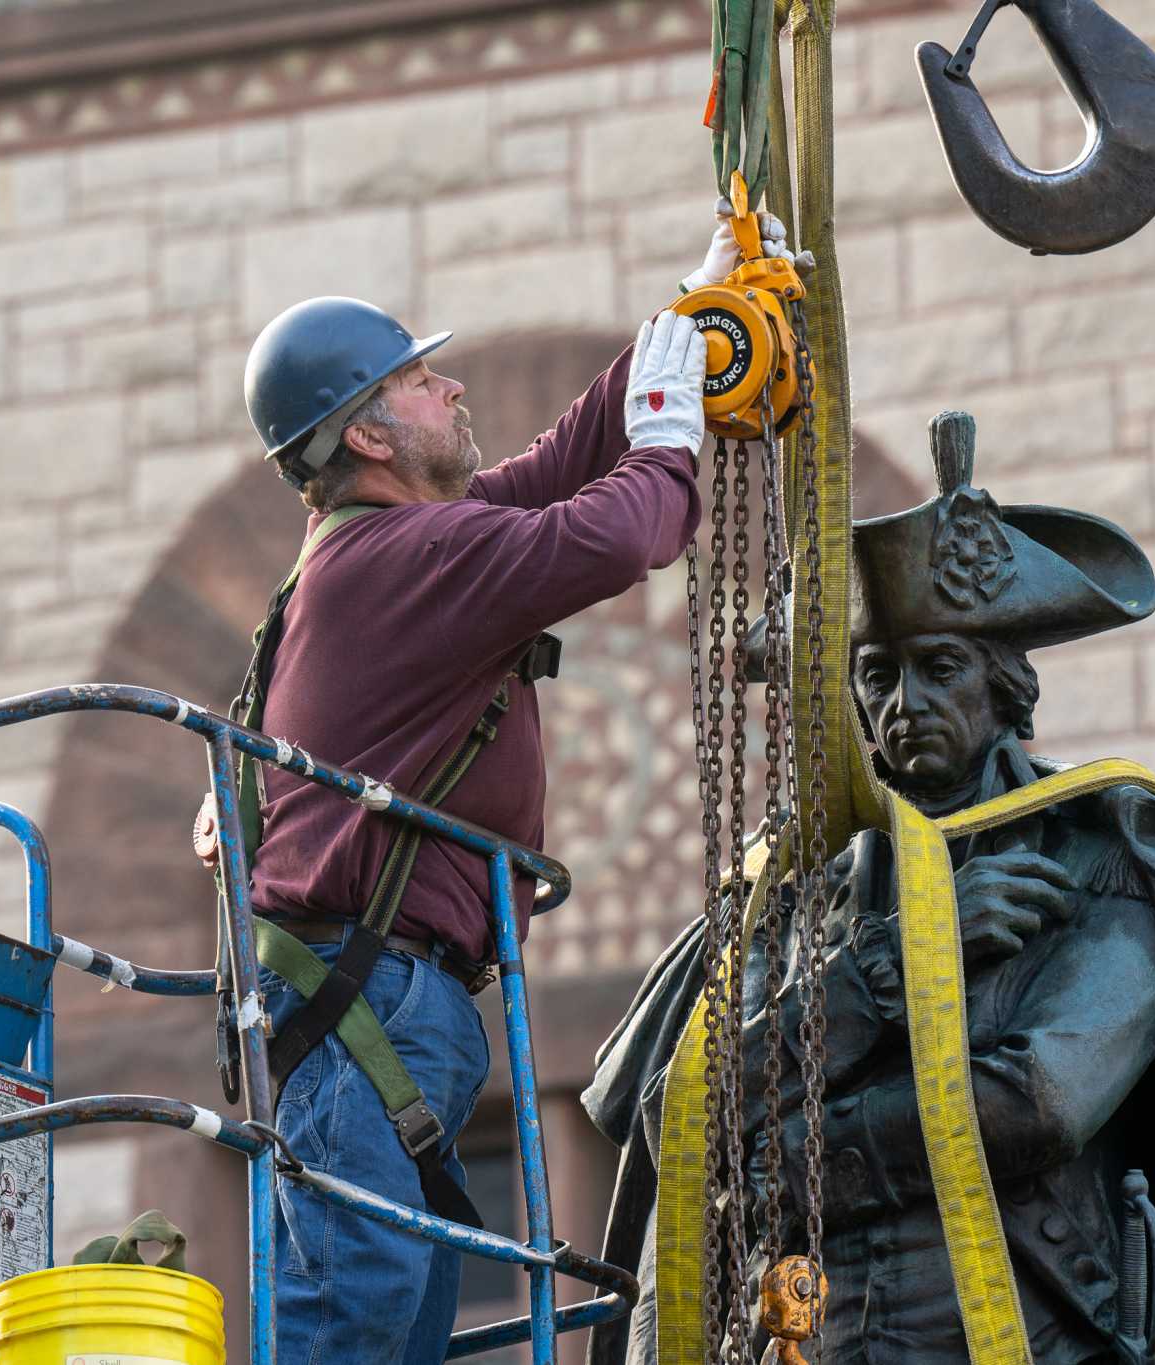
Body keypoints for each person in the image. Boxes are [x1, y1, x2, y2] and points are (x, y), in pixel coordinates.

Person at [586, 412, 1155, 1365]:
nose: (905, 706)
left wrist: (789, 1159)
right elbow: (684, 1106)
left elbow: (1038, 1100)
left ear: (1006, 684)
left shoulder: (1107, 855)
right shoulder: (792, 890)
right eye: (878, 677)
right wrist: (890, 968)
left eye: (941, 669)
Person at [192, 211, 785, 1365]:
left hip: (385, 997)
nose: (452, 385)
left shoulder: (402, 546)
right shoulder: (401, 561)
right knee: (357, 1303)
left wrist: (687, 312)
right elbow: (617, 535)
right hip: (365, 990)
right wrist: (668, 431)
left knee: (395, 1311)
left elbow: (562, 461)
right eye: (420, 379)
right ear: (367, 433)